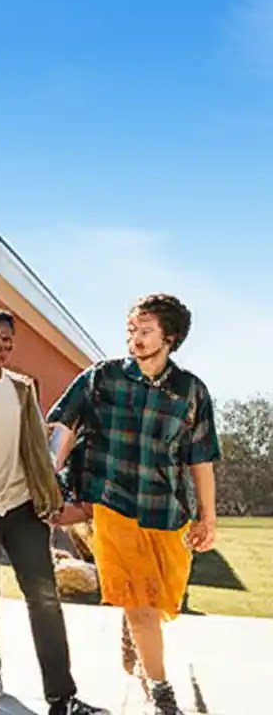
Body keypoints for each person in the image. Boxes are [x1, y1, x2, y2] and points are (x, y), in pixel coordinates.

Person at [47, 293, 220, 715]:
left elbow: (201, 458)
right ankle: (162, 692)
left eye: (145, 331)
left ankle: (137, 643)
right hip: (113, 502)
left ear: (170, 337)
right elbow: (63, 424)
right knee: (142, 607)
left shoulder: (190, 391)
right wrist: (50, 473)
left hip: (167, 509)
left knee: (161, 601)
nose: (135, 338)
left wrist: (207, 517)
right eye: (131, 330)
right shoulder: (101, 378)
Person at [0, 308, 107, 715]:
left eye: (9, 340)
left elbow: (37, 450)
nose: (4, 347)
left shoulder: (22, 388)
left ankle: (62, 697)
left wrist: (49, 495)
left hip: (22, 506)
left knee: (45, 597)